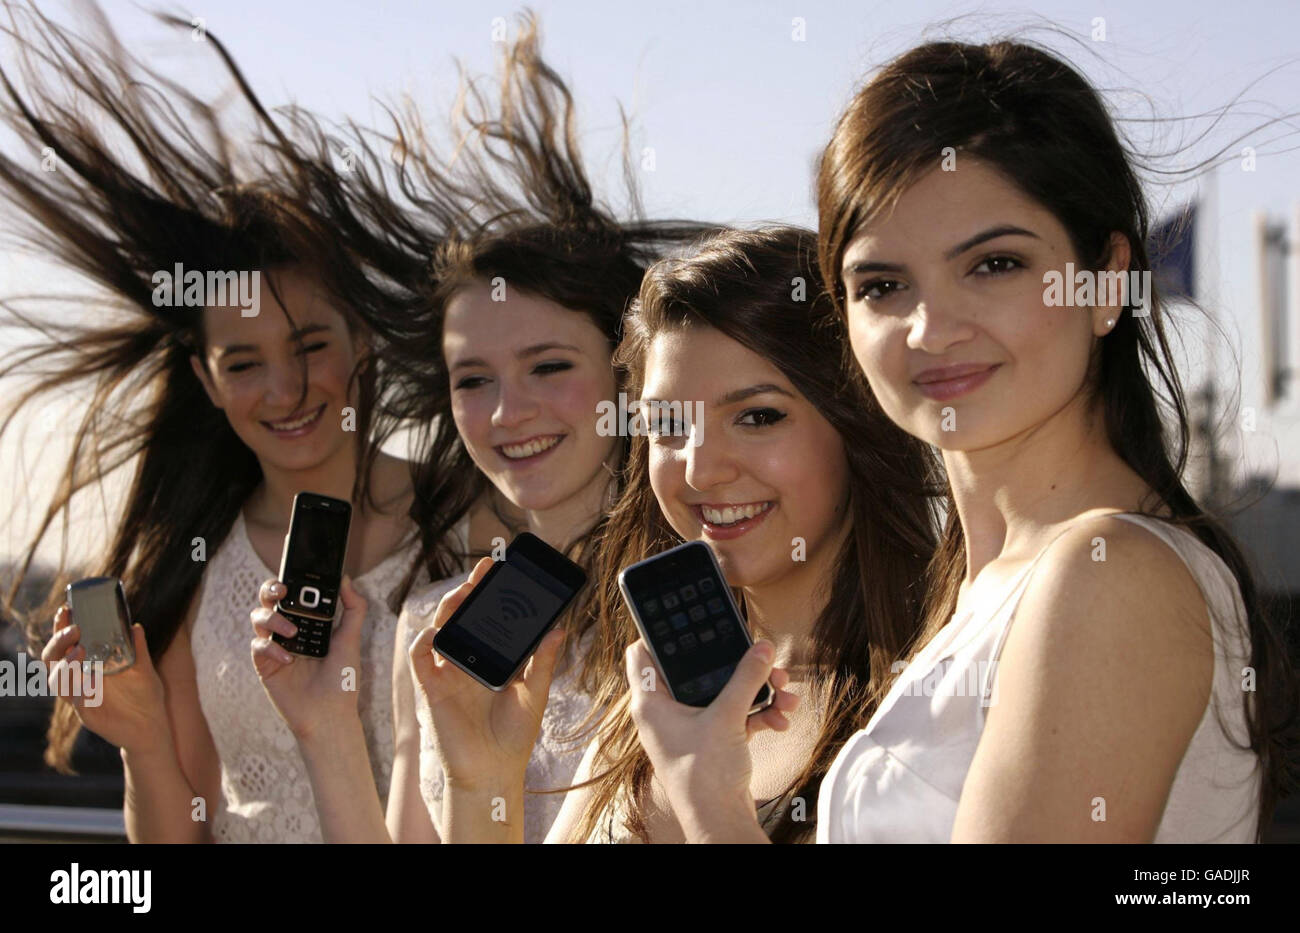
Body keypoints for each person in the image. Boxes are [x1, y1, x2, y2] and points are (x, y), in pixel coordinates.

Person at [623, 38, 1300, 843]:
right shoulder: (987, 591)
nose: (932, 328)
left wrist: (709, 801)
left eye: (994, 264)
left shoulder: (1109, 576)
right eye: (882, 284)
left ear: (1108, 280)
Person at [2, 5, 502, 842]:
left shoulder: (468, 517)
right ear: (204, 377)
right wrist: (143, 738)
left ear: (363, 340)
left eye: (309, 343)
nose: (286, 388)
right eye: (243, 363)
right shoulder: (191, 567)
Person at [248, 15, 714, 843]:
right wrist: (322, 720)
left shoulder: (700, 612)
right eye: (474, 380)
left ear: (626, 373)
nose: (507, 413)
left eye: (547, 366)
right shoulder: (432, 627)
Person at [409, 226, 940, 843]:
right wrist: (482, 780)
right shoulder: (651, 703)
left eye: (757, 416)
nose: (699, 469)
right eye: (667, 425)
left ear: (859, 422)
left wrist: (710, 798)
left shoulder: (930, 698)